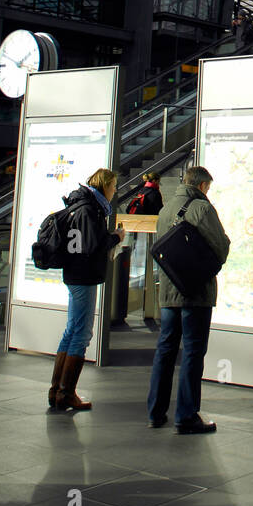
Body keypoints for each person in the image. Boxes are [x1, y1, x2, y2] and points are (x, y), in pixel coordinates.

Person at [147, 164, 230, 434]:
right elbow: (221, 246)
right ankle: (186, 415)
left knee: (166, 349)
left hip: (169, 291)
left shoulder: (165, 210)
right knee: (193, 352)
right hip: (196, 292)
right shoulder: (203, 209)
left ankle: (156, 412)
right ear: (203, 186)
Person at [49, 168, 124, 413]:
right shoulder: (90, 209)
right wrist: (116, 237)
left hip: (74, 273)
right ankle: (66, 392)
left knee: (72, 330)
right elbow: (94, 245)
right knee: (82, 333)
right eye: (113, 187)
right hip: (84, 275)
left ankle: (57, 390)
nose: (114, 192)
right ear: (105, 186)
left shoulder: (79, 204)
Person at [126, 172, 164, 329]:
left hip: (138, 231)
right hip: (150, 231)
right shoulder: (154, 193)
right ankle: (149, 298)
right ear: (155, 180)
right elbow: (160, 212)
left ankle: (140, 293)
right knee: (152, 261)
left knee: (139, 260)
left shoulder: (140, 191)